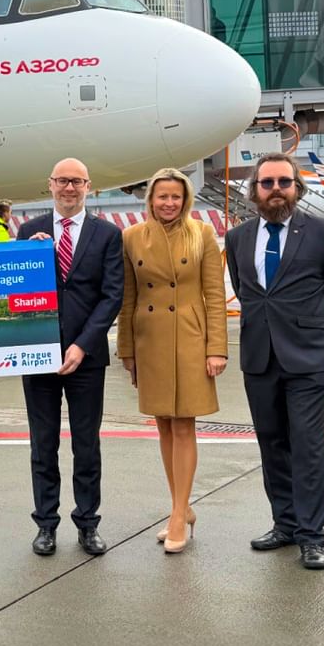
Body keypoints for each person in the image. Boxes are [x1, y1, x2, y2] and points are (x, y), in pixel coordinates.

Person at [225, 152, 324, 570]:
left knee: (308, 447)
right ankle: (285, 523)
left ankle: (312, 537)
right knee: (272, 443)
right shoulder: (238, 238)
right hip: (259, 357)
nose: (276, 189)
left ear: (297, 187)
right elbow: (246, 290)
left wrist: (318, 339)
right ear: (255, 190)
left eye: (284, 182)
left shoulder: (323, 232)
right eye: (267, 183)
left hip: (308, 360)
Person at [117, 168, 228, 554]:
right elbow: (128, 298)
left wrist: (217, 348)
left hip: (190, 338)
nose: (169, 203)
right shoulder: (132, 237)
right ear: (151, 199)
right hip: (150, 339)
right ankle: (181, 505)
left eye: (176, 197)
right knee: (163, 424)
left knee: (183, 424)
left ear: (185, 200)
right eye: (162, 196)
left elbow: (215, 295)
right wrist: (127, 350)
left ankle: (178, 514)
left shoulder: (202, 234)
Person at [16, 158, 123, 556]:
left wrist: (82, 344)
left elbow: (112, 295)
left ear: (88, 187)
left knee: (86, 445)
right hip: (39, 356)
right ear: (50, 184)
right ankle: (45, 524)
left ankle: (88, 523)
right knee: (43, 445)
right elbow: (16, 290)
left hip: (86, 357)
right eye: (62, 180)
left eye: (77, 181)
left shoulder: (107, 234)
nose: (69, 188)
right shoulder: (28, 231)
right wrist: (32, 257)